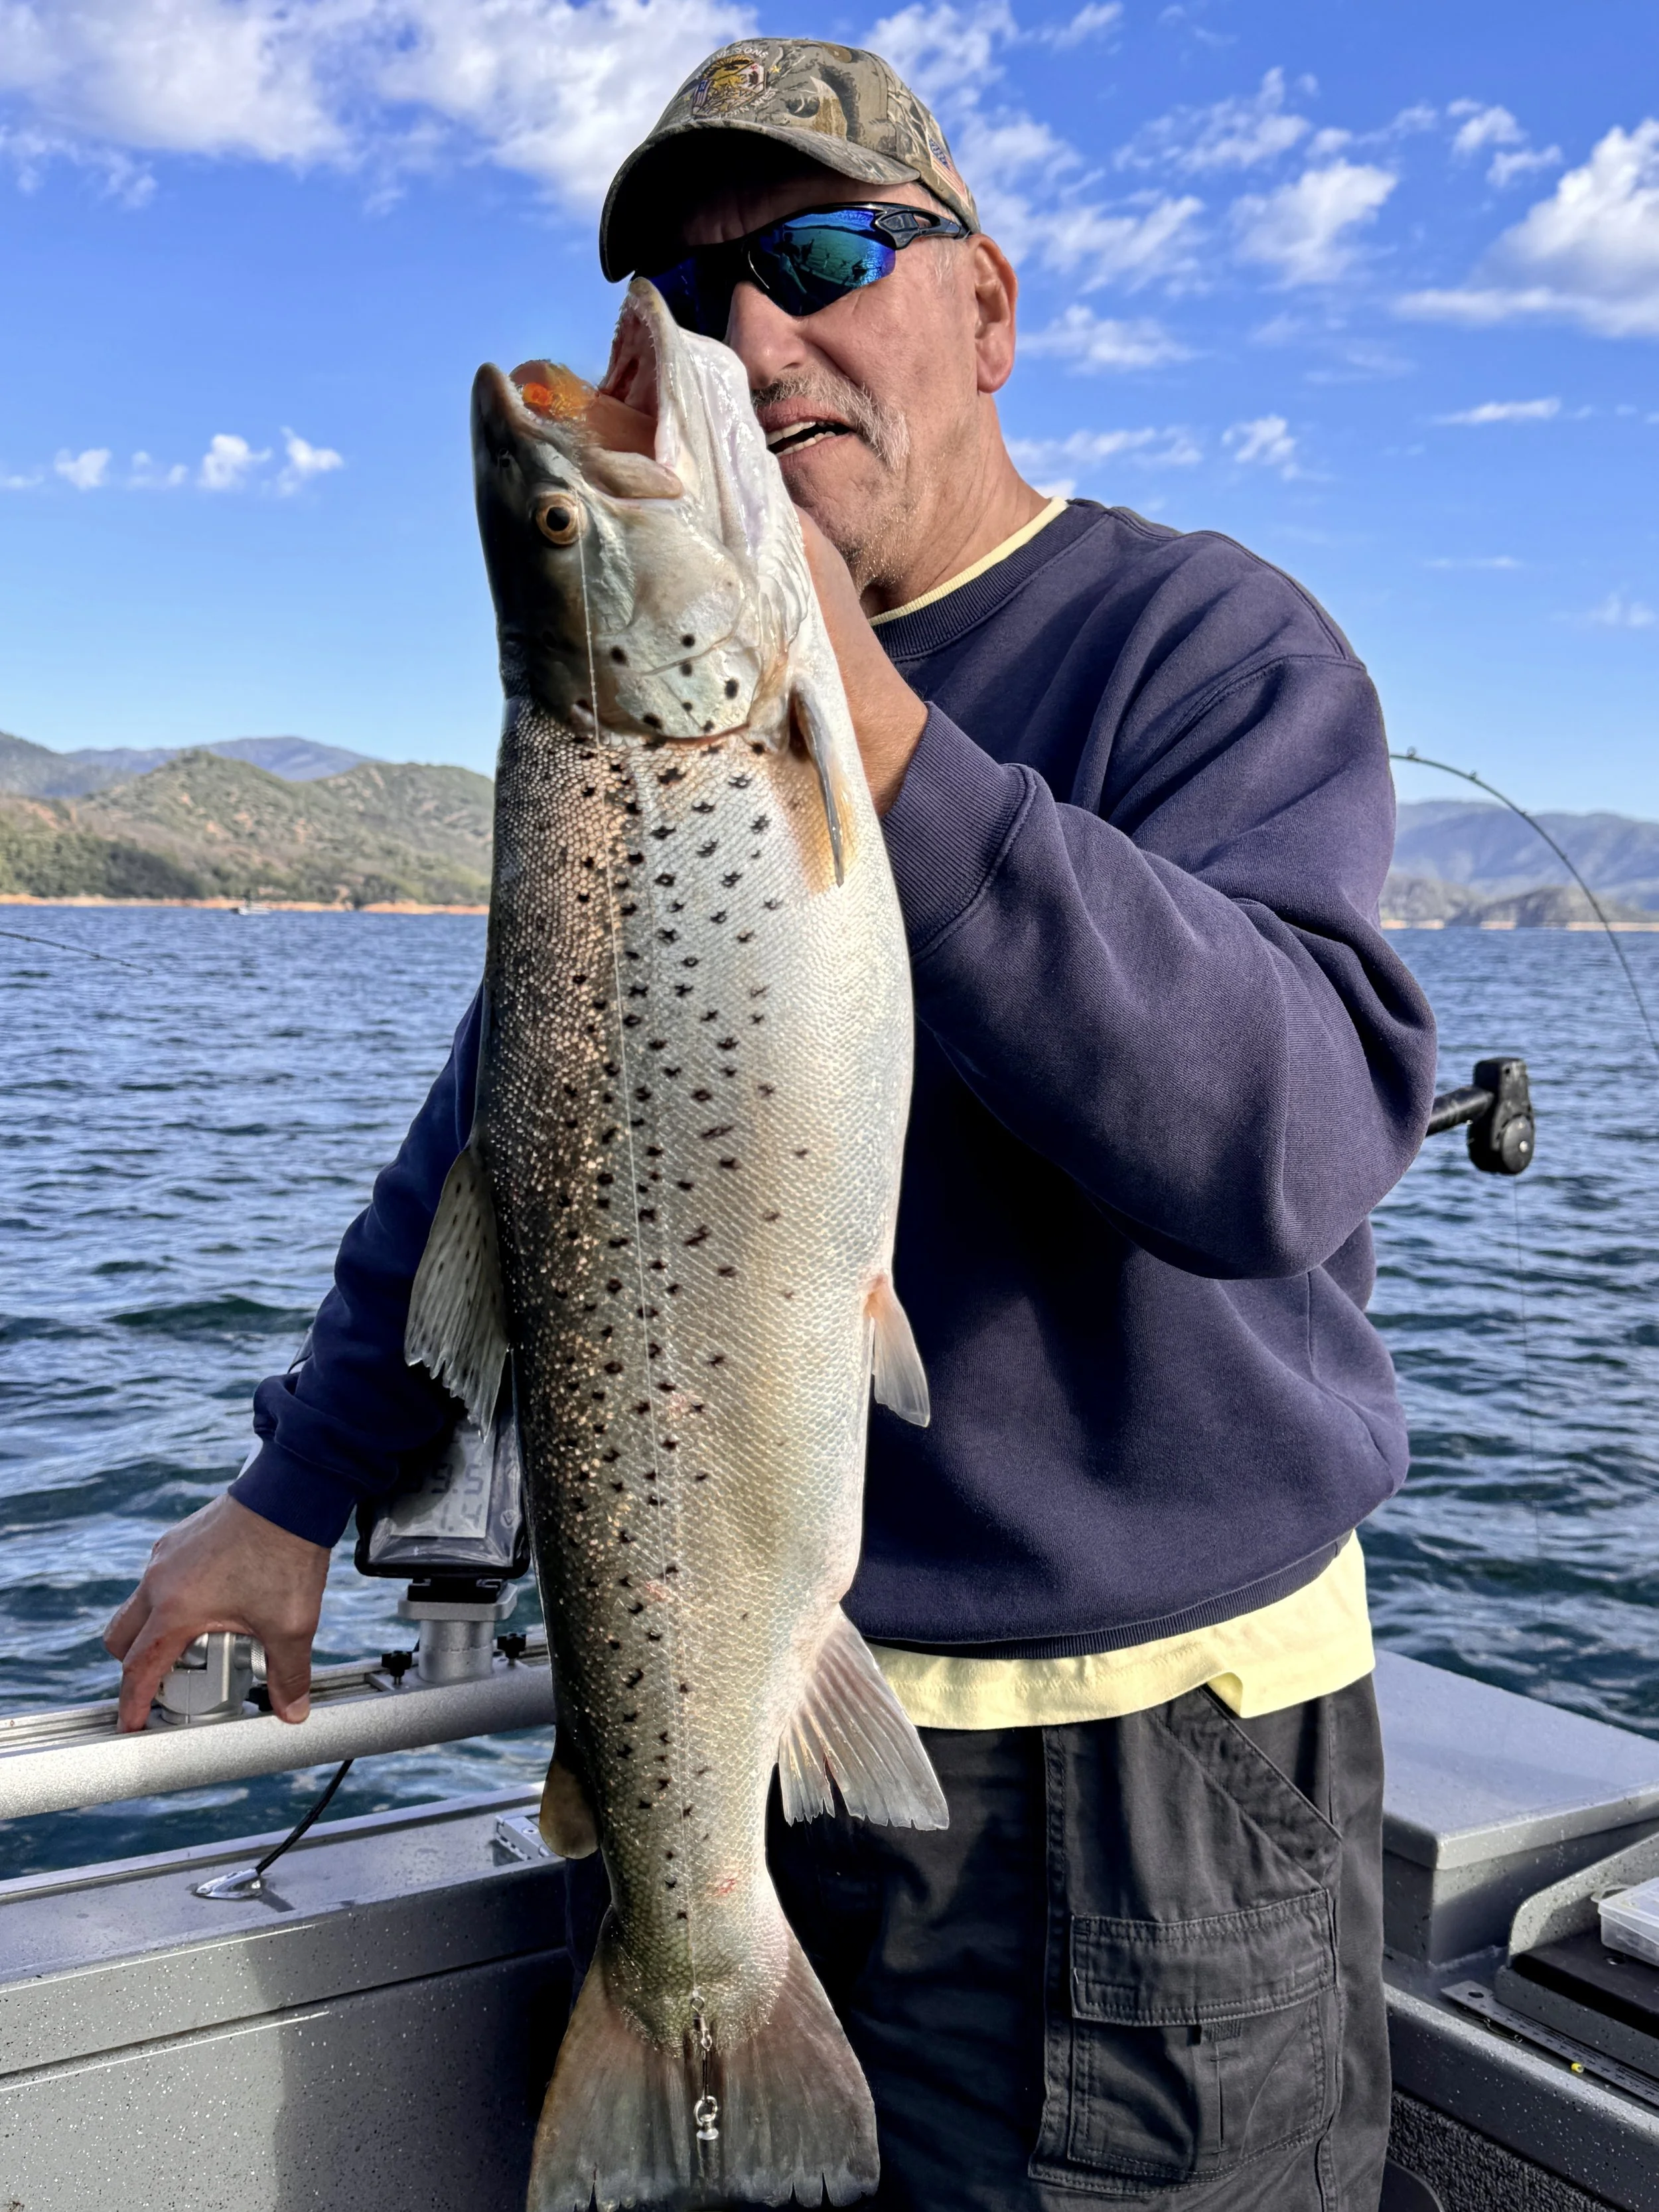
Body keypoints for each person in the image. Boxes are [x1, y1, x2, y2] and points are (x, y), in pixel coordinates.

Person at [107, 38, 1437, 2212]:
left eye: (818, 255)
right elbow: (501, 1134)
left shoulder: (1203, 648)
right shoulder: (629, 775)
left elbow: (1284, 1142)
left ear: (984, 308)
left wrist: (885, 736)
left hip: (1140, 1793)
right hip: (702, 1752)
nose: (748, 332)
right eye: (694, 285)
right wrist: (295, 1479)